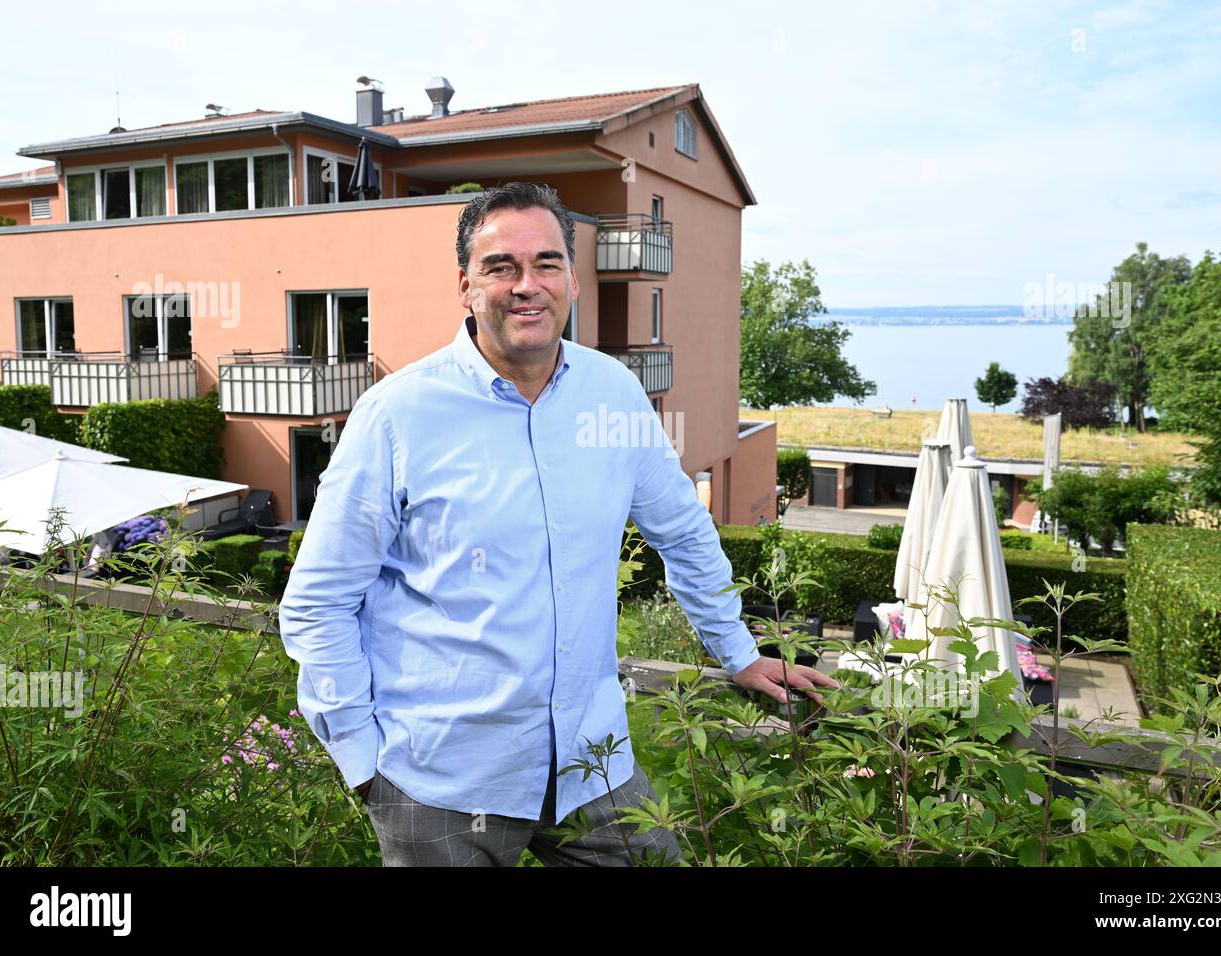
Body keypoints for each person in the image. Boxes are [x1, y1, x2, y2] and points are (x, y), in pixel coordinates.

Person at [278, 182, 837, 867]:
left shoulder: (614, 395)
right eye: (500, 267)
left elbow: (683, 533)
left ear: (572, 279)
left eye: (545, 264)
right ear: (464, 286)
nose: (526, 286)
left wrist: (739, 652)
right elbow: (318, 602)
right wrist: (364, 763)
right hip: (442, 779)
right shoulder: (396, 416)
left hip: (589, 762)